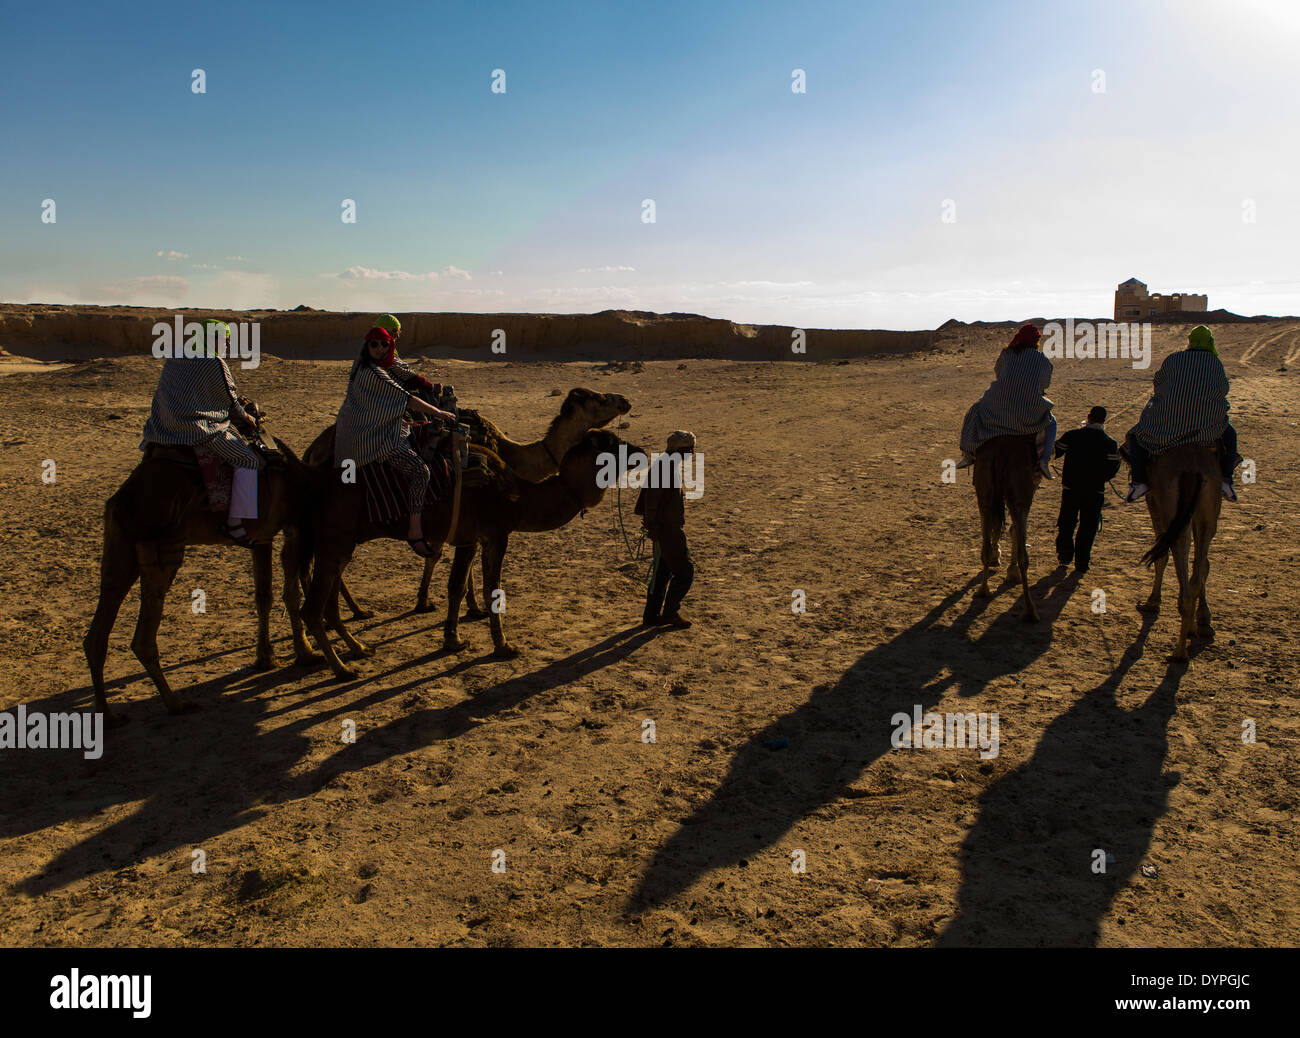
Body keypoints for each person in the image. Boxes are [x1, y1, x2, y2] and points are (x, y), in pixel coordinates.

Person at [334, 325, 457, 557]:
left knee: (416, 430)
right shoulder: (373, 372)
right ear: (366, 345)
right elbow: (407, 398)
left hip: (361, 428)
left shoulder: (363, 366)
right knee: (421, 471)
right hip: (371, 439)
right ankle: (415, 530)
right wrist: (438, 413)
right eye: (374, 344)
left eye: (385, 344)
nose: (380, 349)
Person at [140, 318, 264, 547]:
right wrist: (249, 419)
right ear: (212, 339)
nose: (227, 345)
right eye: (225, 340)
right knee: (249, 460)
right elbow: (231, 403)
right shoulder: (213, 361)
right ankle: (235, 524)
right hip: (194, 430)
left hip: (162, 429)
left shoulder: (177, 354)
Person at [1123, 325, 1240, 503]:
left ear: (1190, 341)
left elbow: (1159, 383)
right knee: (1231, 436)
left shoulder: (1173, 358)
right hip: (1206, 427)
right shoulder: (1215, 362)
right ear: (1210, 342)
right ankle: (1226, 480)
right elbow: (1223, 388)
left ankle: (1139, 481)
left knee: (1136, 436)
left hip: (1168, 425)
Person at [956, 323, 1057, 478]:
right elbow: (1045, 384)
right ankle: (1044, 460)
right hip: (1028, 408)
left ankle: (968, 452)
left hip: (999, 400)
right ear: (1036, 341)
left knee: (974, 411)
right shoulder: (1042, 359)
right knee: (1052, 422)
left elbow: (998, 373)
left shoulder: (1007, 354)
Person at [638, 431, 696, 629]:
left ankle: (651, 616)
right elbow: (652, 500)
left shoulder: (666, 464)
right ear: (680, 450)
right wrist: (653, 527)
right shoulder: (665, 467)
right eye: (689, 449)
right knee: (685, 572)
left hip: (663, 528)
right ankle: (670, 613)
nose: (692, 453)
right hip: (667, 530)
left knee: (662, 573)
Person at [1053, 406, 1121, 575]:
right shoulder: (1110, 443)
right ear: (1103, 421)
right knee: (1088, 527)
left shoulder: (1072, 435)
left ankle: (1065, 555)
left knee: (1067, 523)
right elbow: (1113, 469)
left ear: (1088, 417)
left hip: (1071, 488)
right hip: (1095, 491)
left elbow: (1055, 451)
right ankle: (1082, 563)